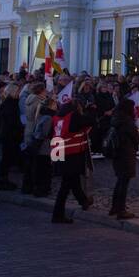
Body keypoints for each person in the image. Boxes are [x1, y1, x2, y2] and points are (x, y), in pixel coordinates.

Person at [50, 94, 94, 224]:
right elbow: (90, 121)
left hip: (58, 152)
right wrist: (90, 110)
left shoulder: (57, 117)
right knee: (65, 185)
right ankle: (57, 214)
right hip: (71, 153)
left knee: (73, 180)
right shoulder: (73, 116)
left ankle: (83, 201)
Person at [107, 95, 139, 219]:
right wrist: (138, 133)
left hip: (117, 153)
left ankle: (115, 207)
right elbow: (138, 139)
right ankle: (121, 210)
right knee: (124, 182)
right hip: (126, 154)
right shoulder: (127, 122)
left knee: (120, 181)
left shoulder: (116, 119)